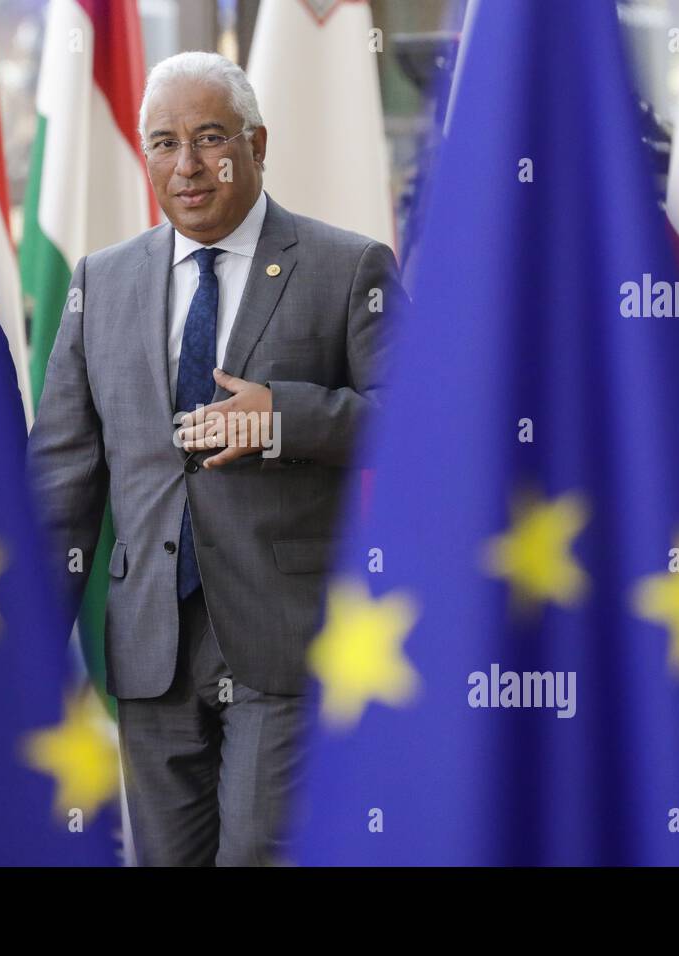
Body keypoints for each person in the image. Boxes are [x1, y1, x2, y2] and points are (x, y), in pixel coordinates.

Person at [27, 51, 404, 865]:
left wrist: (285, 418)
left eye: (209, 138)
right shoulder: (103, 281)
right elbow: (61, 480)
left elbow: (423, 427)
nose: (187, 166)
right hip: (149, 645)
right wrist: (24, 646)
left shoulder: (349, 268)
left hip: (282, 637)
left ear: (257, 144)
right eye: (163, 143)